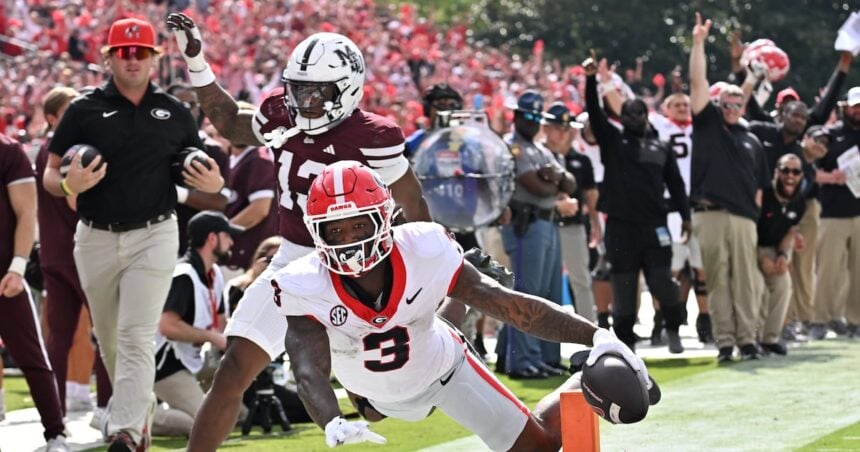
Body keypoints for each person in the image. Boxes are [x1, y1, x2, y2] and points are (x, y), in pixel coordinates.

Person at [165, 14, 431, 450]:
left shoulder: (373, 135)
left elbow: (412, 201)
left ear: (347, 87)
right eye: (298, 88)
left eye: (317, 90)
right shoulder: (277, 112)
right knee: (234, 367)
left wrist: (427, 257)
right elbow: (231, 121)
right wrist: (197, 62)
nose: (304, 100)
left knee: (381, 396)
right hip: (294, 258)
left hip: (361, 265)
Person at [275, 160, 650, 451]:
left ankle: (581, 381)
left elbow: (511, 307)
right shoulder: (304, 283)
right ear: (316, 232)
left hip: (444, 371)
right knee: (373, 402)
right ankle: (456, 307)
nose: (349, 240)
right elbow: (308, 368)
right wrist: (330, 421)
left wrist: (595, 335)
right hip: (373, 393)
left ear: (385, 219)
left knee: (540, 449)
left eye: (358, 225)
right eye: (335, 230)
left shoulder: (423, 247)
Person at [42, 17, 225, 451]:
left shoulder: (176, 112)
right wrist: (69, 186)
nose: (132, 59)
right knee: (109, 340)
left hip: (155, 233)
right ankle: (138, 425)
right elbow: (50, 174)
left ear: (155, 58)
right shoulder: (82, 110)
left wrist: (214, 183)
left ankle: (123, 432)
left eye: (140, 51)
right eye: (123, 52)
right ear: (107, 58)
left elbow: (200, 170)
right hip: (95, 236)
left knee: (135, 335)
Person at [584, 53, 689, 354]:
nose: (632, 118)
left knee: (663, 283)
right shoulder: (613, 142)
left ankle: (673, 329)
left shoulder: (661, 147)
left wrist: (686, 216)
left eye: (637, 113)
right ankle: (626, 345)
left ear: (646, 116)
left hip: (654, 226)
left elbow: (677, 185)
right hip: (620, 227)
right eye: (627, 114)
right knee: (624, 288)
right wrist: (591, 80)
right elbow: (594, 112)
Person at [689, 13, 770, 363]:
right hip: (711, 214)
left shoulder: (751, 137)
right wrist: (698, 43)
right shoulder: (708, 124)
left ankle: (748, 340)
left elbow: (761, 186)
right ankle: (725, 343)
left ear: (744, 105)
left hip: (744, 218)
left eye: (739, 103)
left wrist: (754, 215)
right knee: (718, 281)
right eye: (727, 103)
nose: (733, 108)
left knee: (747, 283)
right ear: (718, 105)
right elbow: (697, 81)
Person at [34, 86, 112, 417]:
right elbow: (74, 202)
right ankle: (106, 405)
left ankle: (56, 409)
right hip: (78, 251)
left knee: (59, 335)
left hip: (51, 253)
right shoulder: (71, 151)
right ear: (52, 117)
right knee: (106, 329)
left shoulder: (44, 151)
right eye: (69, 110)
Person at [500, 89, 577, 378]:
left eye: (536, 116)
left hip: (547, 222)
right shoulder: (513, 146)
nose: (532, 121)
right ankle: (522, 361)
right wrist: (554, 182)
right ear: (517, 116)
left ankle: (546, 356)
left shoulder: (541, 149)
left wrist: (555, 178)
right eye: (528, 116)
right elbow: (534, 185)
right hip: (525, 223)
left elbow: (570, 183)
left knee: (550, 294)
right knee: (527, 293)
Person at [1, 131, 70, 451]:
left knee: (31, 355)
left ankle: (55, 433)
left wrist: (17, 267)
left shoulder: (8, 150)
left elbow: (27, 212)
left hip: (4, 276)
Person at [152, 211, 238, 437]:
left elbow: (220, 324)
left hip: (194, 361)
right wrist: (211, 337)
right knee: (207, 426)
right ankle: (120, 418)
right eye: (227, 235)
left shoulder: (215, 273)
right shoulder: (183, 275)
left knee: (234, 415)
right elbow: (167, 326)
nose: (232, 241)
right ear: (212, 239)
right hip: (164, 364)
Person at [650, 93, 712, 344]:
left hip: (697, 205)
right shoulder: (660, 126)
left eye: (687, 104)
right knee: (669, 270)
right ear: (666, 109)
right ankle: (660, 321)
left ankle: (705, 321)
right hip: (671, 207)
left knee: (702, 269)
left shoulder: (700, 128)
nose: (683, 109)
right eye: (677, 105)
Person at [809, 87, 860, 340]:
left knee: (858, 272)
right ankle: (819, 319)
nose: (858, 111)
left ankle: (855, 321)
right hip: (832, 213)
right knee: (828, 270)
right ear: (846, 107)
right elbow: (811, 169)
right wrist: (831, 177)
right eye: (855, 106)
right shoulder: (830, 135)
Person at [542, 102, 598, 323]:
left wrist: (595, 225)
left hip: (572, 225)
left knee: (581, 280)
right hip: (544, 224)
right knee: (543, 283)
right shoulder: (537, 154)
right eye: (558, 127)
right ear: (546, 128)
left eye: (567, 128)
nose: (564, 133)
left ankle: (590, 331)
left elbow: (591, 196)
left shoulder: (580, 160)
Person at [166, 82, 230, 257]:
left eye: (192, 104)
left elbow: (219, 202)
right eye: (179, 103)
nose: (186, 108)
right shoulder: (151, 145)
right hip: (153, 241)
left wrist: (175, 193)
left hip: (193, 248)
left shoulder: (213, 151)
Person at [755, 154, 806, 356]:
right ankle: (751, 339)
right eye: (785, 170)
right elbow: (749, 230)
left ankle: (770, 339)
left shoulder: (799, 201)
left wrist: (783, 255)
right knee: (756, 288)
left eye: (795, 171)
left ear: (801, 175)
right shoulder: (764, 195)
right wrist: (760, 257)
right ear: (776, 172)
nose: (790, 175)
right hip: (750, 247)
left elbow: (790, 231)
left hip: (774, 248)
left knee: (783, 284)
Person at [784, 126, 830, 340]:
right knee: (786, 265)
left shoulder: (810, 171)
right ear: (805, 139)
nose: (821, 145)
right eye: (817, 140)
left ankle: (803, 318)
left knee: (804, 266)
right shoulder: (790, 156)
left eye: (825, 143)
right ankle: (787, 320)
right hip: (781, 214)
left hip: (802, 212)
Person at [222, 101, 277, 271]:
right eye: (236, 122)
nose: (240, 129)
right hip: (231, 251)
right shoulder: (230, 158)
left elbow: (259, 210)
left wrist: (222, 231)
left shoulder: (258, 160)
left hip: (245, 256)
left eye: (247, 124)